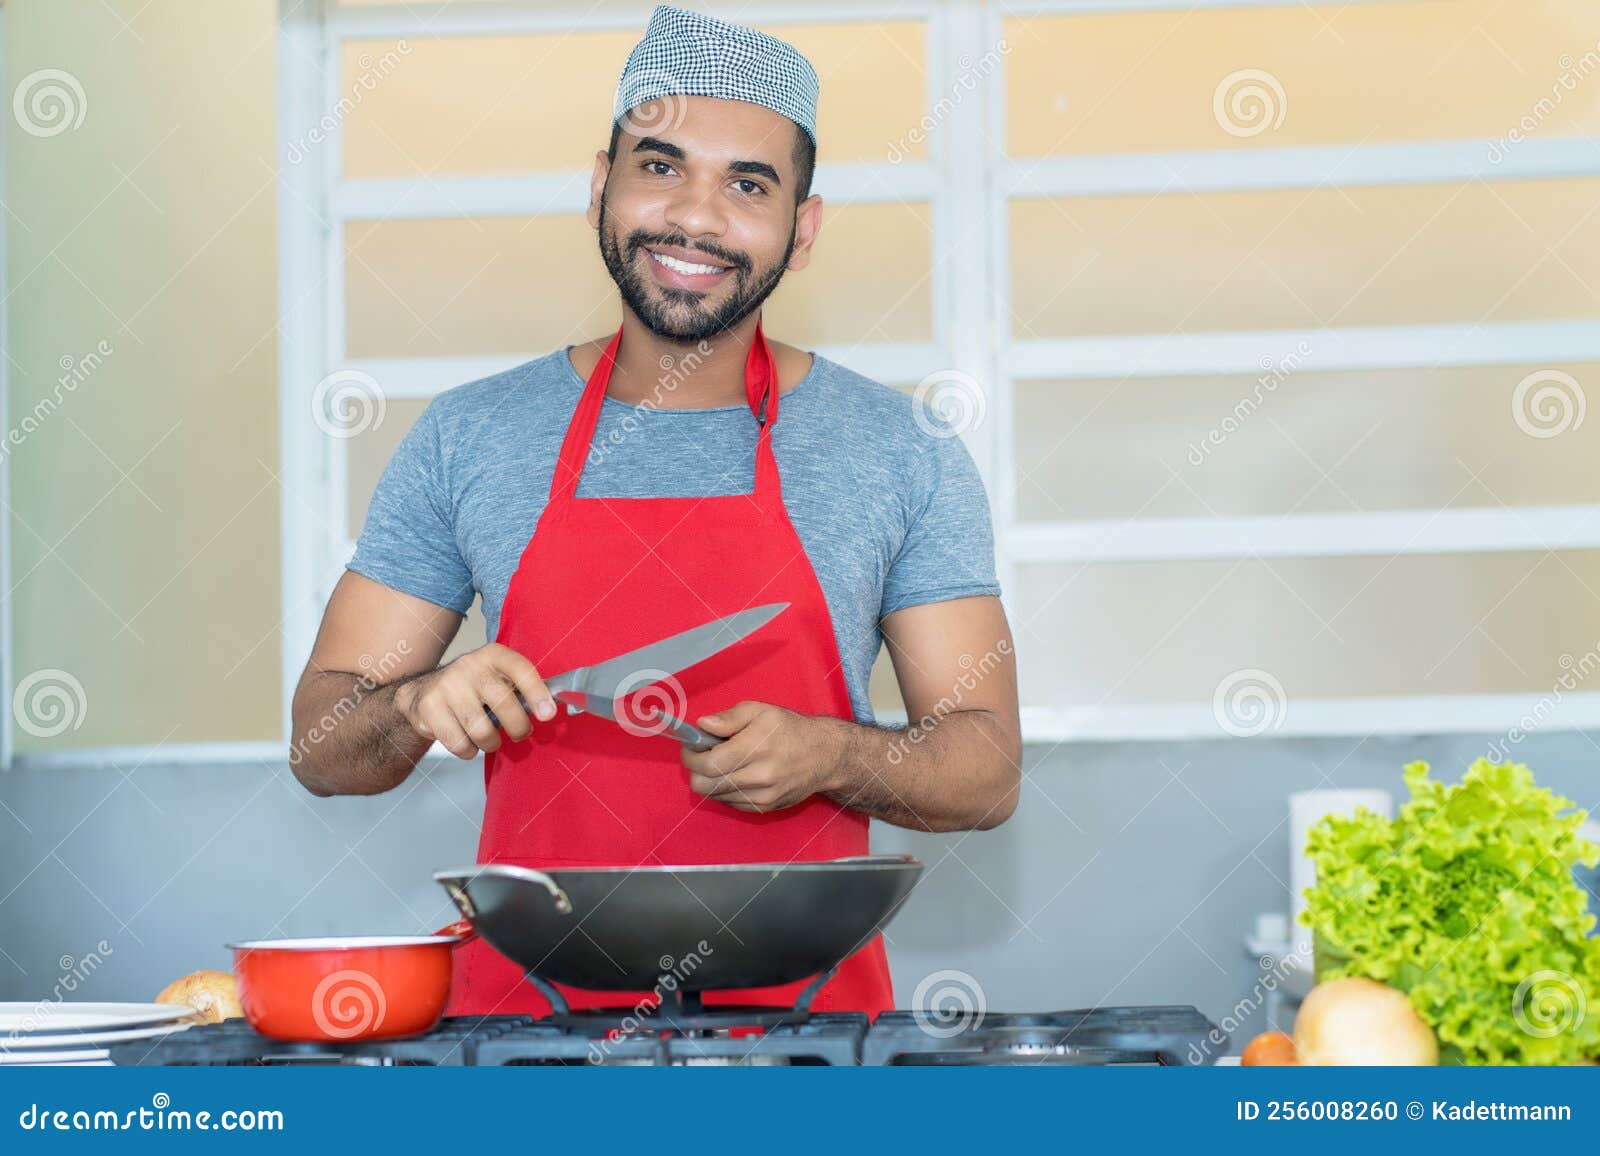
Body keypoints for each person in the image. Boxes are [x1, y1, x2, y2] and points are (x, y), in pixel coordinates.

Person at [289, 4, 1021, 1018]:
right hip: (521, 1047)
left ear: (801, 231)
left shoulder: (897, 451)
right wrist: (418, 704)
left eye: (748, 184)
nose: (697, 218)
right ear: (601, 185)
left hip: (806, 1049)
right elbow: (321, 741)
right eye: (661, 166)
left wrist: (833, 754)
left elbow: (985, 768)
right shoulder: (470, 436)